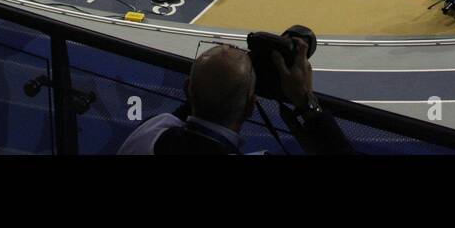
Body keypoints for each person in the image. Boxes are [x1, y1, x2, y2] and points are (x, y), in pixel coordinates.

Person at [117, 38, 349, 155]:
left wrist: (232, 75)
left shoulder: (147, 137)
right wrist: (306, 102)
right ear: (250, 106)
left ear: (188, 88)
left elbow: (188, 113)